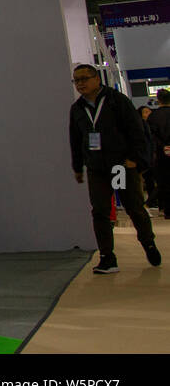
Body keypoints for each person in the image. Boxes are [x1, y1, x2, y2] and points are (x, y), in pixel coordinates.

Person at [68, 66, 159, 273]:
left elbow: (137, 131)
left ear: (96, 79)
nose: (80, 83)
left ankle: (148, 243)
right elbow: (75, 139)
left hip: (120, 166)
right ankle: (107, 257)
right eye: (76, 80)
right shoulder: (77, 109)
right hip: (96, 168)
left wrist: (136, 159)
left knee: (133, 206)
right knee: (99, 211)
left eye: (84, 79)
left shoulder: (117, 101)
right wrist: (77, 166)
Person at [150, 90, 170, 219]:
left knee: (164, 182)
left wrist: (162, 147)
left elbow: (150, 136)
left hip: (161, 154)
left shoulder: (153, 116)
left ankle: (167, 209)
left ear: (158, 100)